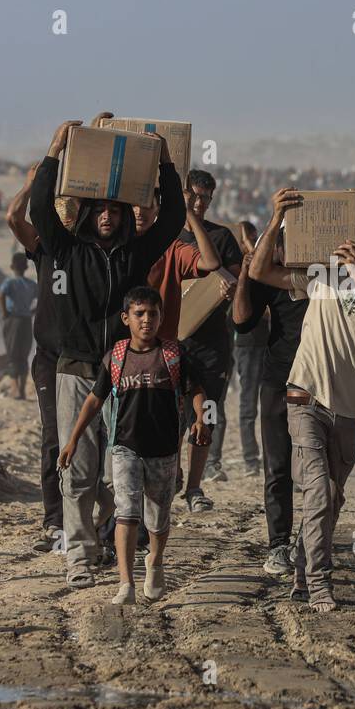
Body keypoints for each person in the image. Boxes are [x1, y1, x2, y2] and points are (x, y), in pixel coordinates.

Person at [30, 116, 185, 589]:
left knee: (122, 467)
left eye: (115, 211)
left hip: (123, 372)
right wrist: (55, 149)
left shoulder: (134, 255)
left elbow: (174, 219)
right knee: (77, 468)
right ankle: (78, 554)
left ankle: (108, 535)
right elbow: (39, 210)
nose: (107, 217)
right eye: (99, 210)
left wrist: (164, 164)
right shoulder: (65, 251)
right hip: (75, 367)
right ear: (87, 214)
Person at [248, 188, 355, 612]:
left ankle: (302, 568)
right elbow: (261, 271)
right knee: (319, 491)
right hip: (306, 397)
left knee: (332, 498)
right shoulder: (323, 273)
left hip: (350, 410)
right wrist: (276, 216)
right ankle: (319, 584)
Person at [58, 287, 209, 604]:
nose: (146, 320)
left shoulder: (173, 355)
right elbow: (94, 399)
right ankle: (125, 584)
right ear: (126, 318)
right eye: (139, 314)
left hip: (164, 450)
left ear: (160, 317)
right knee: (126, 512)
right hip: (125, 448)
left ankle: (155, 560)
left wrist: (200, 418)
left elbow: (195, 390)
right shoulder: (116, 356)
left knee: (158, 520)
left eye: (153, 314)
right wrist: (72, 440)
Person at [7, 165, 79, 552]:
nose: (66, 213)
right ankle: (54, 521)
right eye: (60, 206)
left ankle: (89, 519)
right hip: (50, 358)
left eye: (72, 206)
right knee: (54, 437)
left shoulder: (91, 247)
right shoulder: (44, 247)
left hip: (87, 357)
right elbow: (13, 218)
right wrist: (32, 183)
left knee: (91, 438)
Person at [233, 226, 309, 578]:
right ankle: (279, 543)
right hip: (278, 382)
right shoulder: (269, 278)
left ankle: (310, 542)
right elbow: (242, 322)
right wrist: (246, 277)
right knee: (277, 468)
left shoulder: (325, 279)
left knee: (316, 473)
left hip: (318, 385)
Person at [175, 169, 243, 511]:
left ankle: (194, 487)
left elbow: (236, 280)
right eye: (193, 196)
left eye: (205, 198)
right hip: (171, 340)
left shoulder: (222, 237)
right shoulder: (167, 234)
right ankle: (171, 474)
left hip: (212, 340)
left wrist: (227, 285)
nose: (198, 203)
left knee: (207, 416)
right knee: (170, 412)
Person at [140, 199, 220, 340]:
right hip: (125, 348)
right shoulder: (115, 249)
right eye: (134, 206)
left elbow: (211, 262)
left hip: (163, 348)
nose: (139, 212)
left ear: (157, 209)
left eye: (146, 206)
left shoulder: (172, 249)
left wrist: (188, 211)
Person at [230, 221, 268, 476]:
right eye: (248, 240)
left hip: (265, 342)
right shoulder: (236, 272)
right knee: (248, 405)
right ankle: (250, 458)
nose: (252, 245)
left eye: (255, 239)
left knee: (268, 405)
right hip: (247, 345)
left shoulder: (263, 269)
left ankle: (260, 457)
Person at [0, 252, 39, 399]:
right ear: (26, 267)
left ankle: (15, 390)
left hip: (13, 320)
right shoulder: (31, 284)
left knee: (12, 355)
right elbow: (41, 299)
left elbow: (1, 295)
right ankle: (21, 390)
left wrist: (5, 313)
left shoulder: (9, 283)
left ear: (12, 266)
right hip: (26, 321)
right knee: (23, 355)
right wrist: (32, 312)